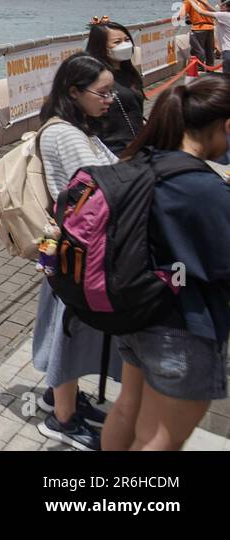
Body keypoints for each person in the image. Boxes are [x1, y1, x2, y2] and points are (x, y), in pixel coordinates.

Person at [100, 81, 230, 450]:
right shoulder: (202, 187)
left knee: (128, 408)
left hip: (137, 313)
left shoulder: (141, 162)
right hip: (184, 326)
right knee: (162, 438)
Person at [31, 53, 123, 450]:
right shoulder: (66, 134)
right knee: (68, 332)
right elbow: (103, 188)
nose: (109, 100)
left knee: (65, 328)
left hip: (73, 250)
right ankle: (61, 420)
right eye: (101, 93)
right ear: (74, 91)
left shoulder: (75, 127)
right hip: (78, 254)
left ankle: (59, 398)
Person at [83, 18, 145, 155]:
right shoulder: (93, 77)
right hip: (111, 150)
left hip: (138, 146)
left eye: (127, 40)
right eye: (117, 42)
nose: (125, 45)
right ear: (101, 46)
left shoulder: (130, 73)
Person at [178, 0, 216, 73]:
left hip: (198, 28)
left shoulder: (187, 1)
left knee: (198, 49)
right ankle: (210, 68)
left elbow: (181, 15)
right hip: (210, 27)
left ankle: (199, 68)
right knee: (209, 50)